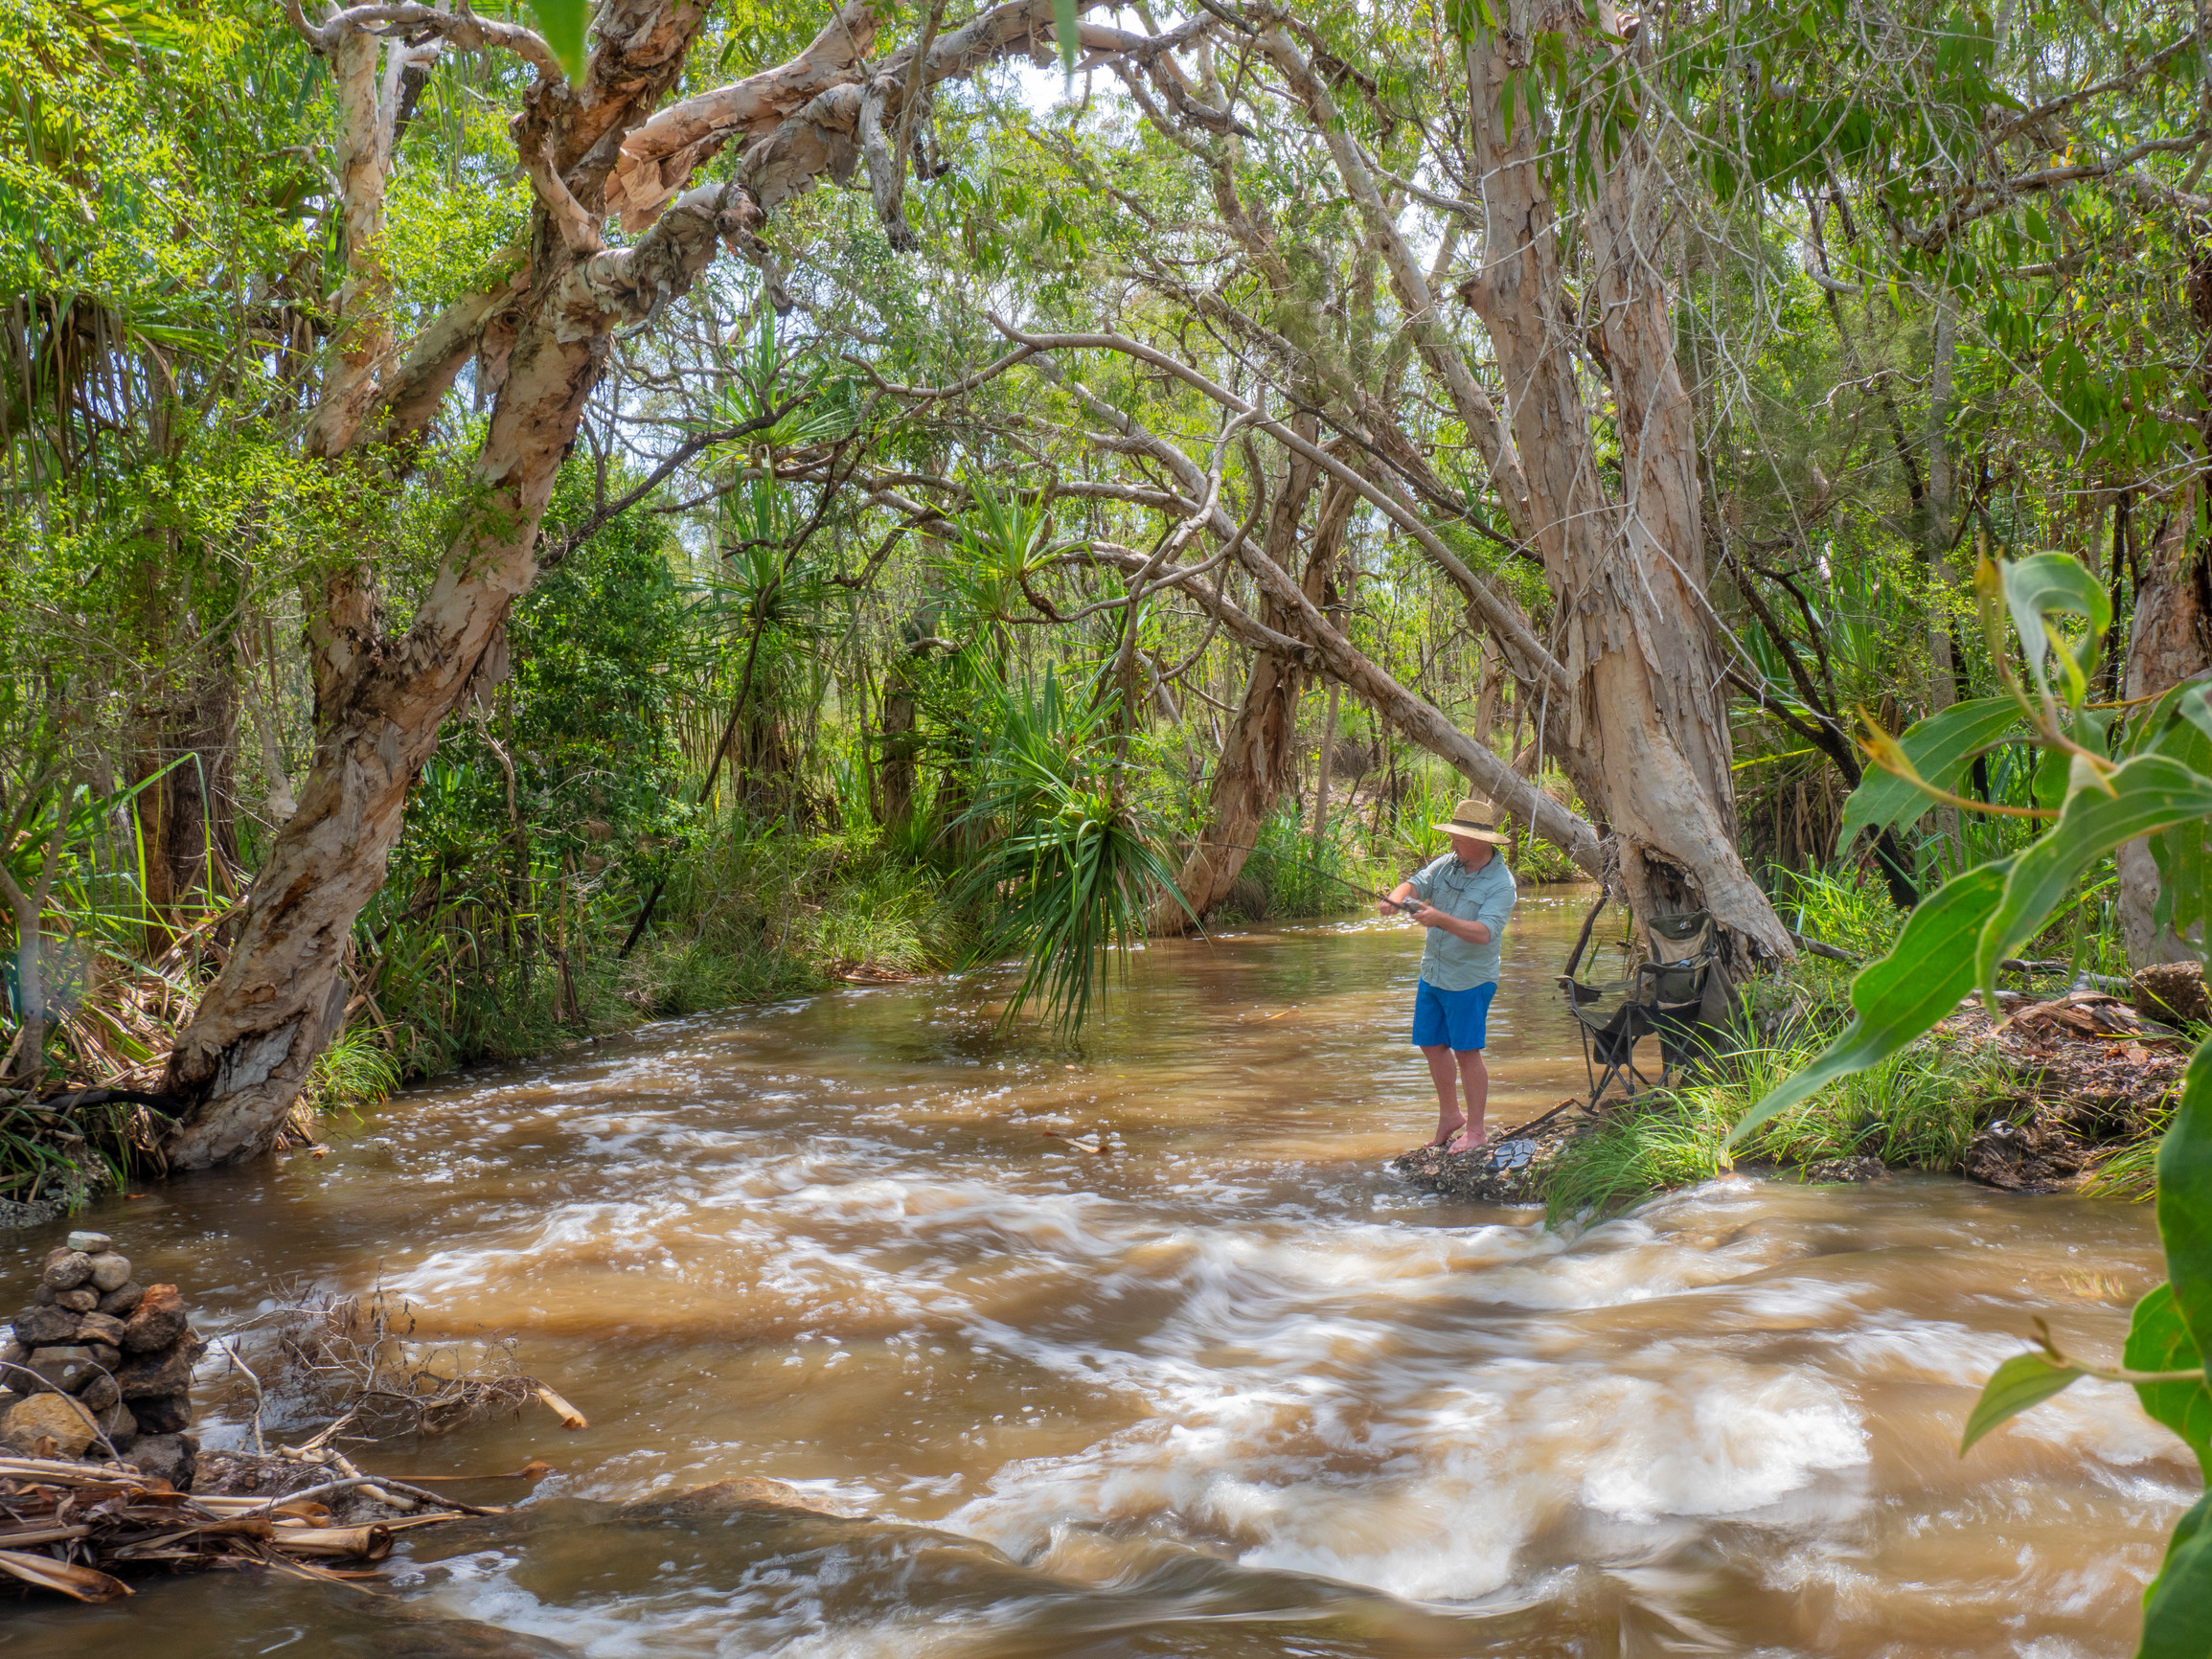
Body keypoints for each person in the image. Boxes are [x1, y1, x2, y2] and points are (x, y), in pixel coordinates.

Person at [1380, 797, 1516, 1155]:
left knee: (1467, 1052)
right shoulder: (1448, 864)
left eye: (1457, 838)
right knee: (1430, 1043)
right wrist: (1395, 898)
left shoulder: (1501, 884)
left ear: (1479, 841)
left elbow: (1484, 933)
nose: (1452, 844)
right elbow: (1415, 884)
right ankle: (1450, 1116)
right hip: (1434, 973)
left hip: (1471, 980)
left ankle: (1476, 1131)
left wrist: (1439, 919)